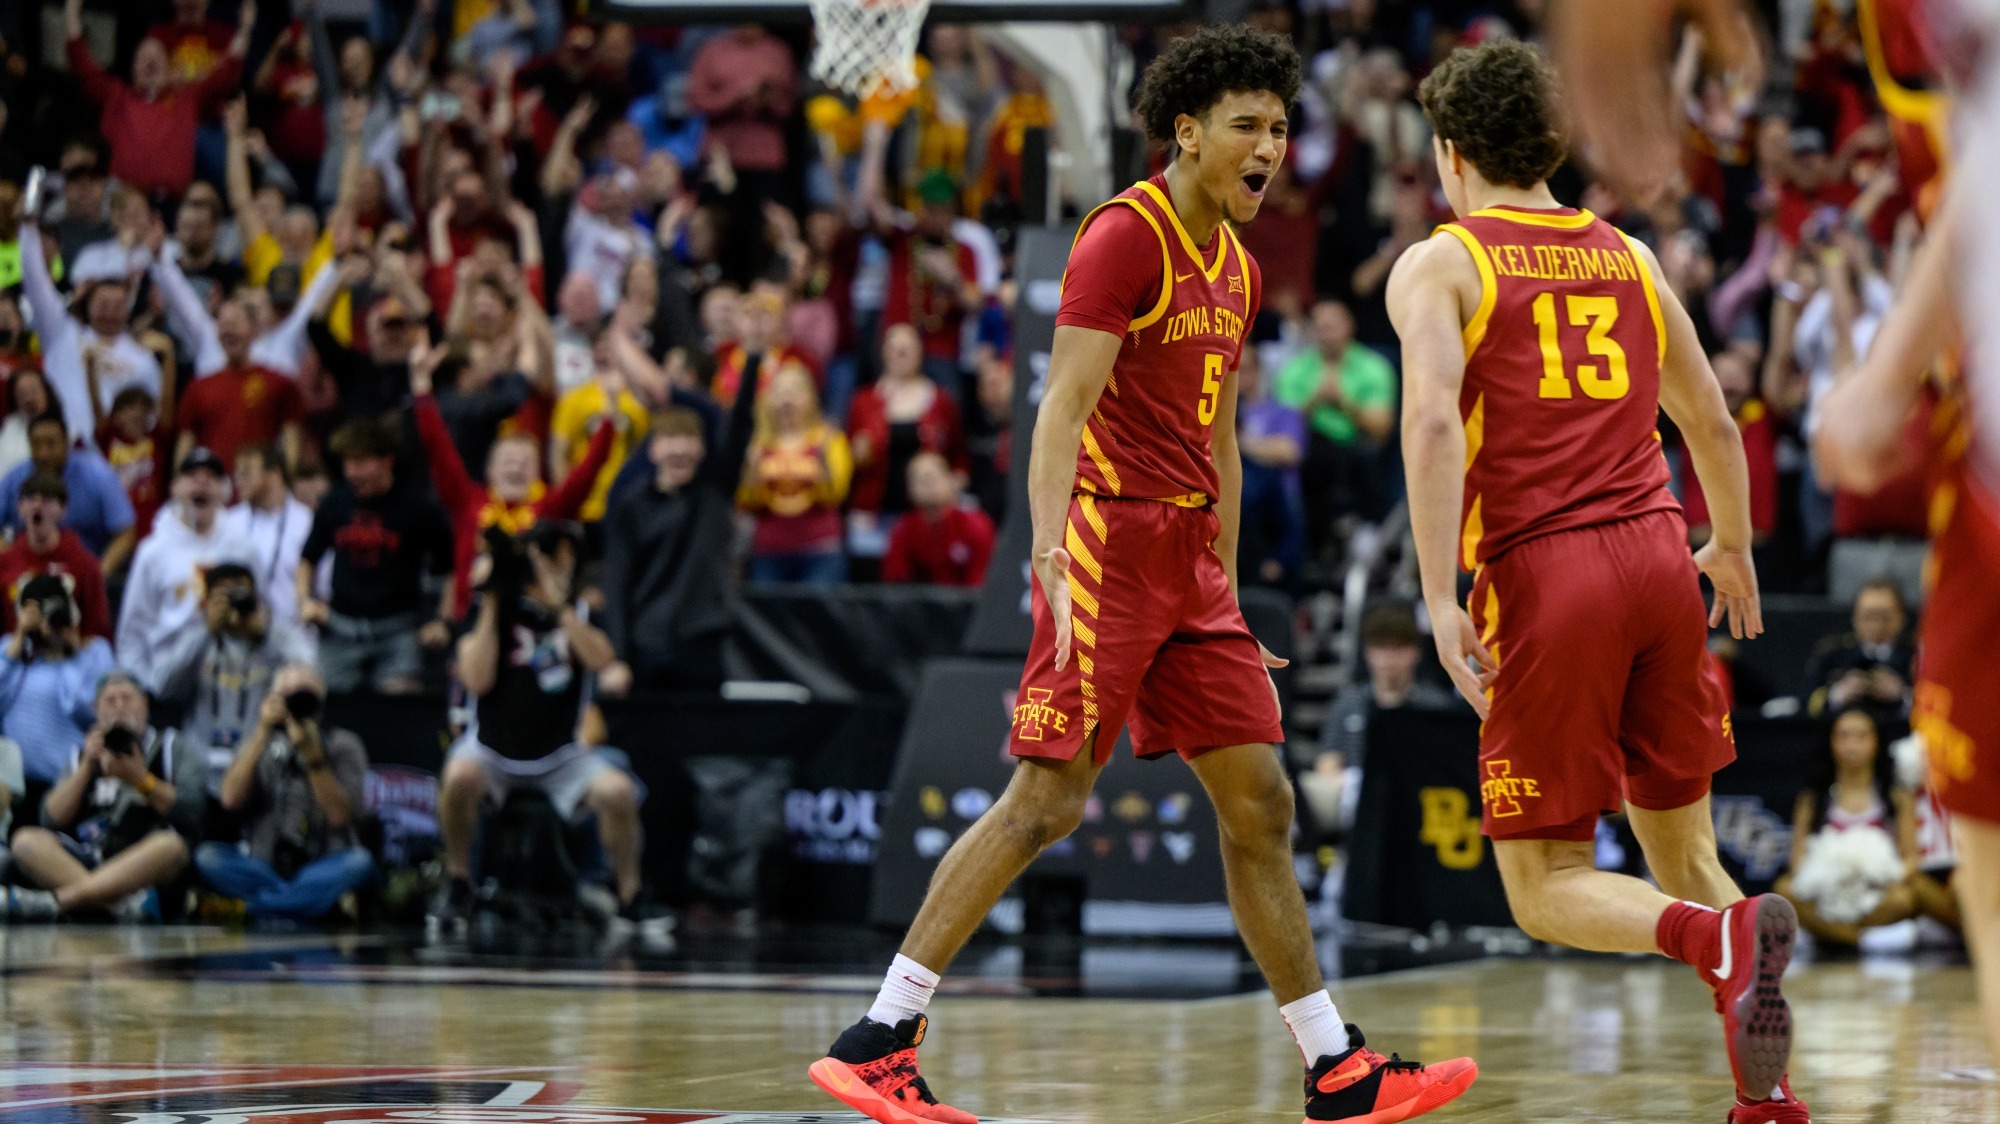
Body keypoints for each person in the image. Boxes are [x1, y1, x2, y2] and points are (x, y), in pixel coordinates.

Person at [808, 28, 1477, 1124]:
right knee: (1046, 800)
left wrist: (1220, 576)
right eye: (1245, 126)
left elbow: (1213, 423)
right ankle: (879, 1032)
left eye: (1278, 127)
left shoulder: (1242, 266)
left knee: (1258, 799)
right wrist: (1045, 553)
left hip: (1188, 566)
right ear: (1186, 129)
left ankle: (1334, 1066)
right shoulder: (1126, 234)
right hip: (1106, 545)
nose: (1268, 147)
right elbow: (1060, 409)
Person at [1389, 40, 1802, 1123]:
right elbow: (1708, 415)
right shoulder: (1625, 254)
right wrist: (1733, 545)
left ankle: (1707, 935)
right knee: (1690, 852)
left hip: (1547, 571)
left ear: (1449, 152)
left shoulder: (1442, 261)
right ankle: (1769, 1094)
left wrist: (1436, 595)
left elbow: (1432, 421)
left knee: (1542, 885)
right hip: (1662, 561)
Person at [428, 521, 667, 943]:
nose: (551, 567)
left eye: (560, 557)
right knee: (458, 777)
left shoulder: (581, 611)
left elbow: (604, 661)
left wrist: (560, 611)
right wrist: (493, 602)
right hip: (492, 750)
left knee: (617, 791)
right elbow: (476, 680)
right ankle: (459, 880)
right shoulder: (495, 611)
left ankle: (631, 894)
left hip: (561, 754)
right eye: (544, 556)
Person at [409, 339, 614, 616]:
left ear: (535, 473)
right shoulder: (467, 500)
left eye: (525, 463)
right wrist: (421, 385)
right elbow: (437, 448)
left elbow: (587, 472)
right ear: (490, 470)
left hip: (532, 622)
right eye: (508, 461)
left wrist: (610, 417)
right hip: (474, 620)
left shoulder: (551, 507)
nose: (516, 468)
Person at [600, 358, 763, 694]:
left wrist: (754, 359)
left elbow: (740, 426)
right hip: (646, 644)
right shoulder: (632, 505)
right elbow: (615, 583)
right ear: (654, 449)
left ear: (702, 449)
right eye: (671, 439)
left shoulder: (715, 490)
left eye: (689, 440)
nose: (680, 448)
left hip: (701, 642)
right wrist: (615, 657)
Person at [4, 671, 205, 921]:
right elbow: (50, 819)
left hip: (144, 862)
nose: (119, 707)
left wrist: (141, 780)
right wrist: (88, 766)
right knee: (25, 840)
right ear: (96, 710)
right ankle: (119, 906)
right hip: (89, 856)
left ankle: (60, 901)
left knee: (171, 846)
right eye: (110, 701)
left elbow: (193, 812)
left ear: (145, 703)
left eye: (127, 699)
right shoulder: (83, 754)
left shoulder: (173, 746)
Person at [197, 663, 375, 921]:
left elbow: (339, 817)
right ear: (272, 699)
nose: (297, 706)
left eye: (306, 697)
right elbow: (230, 799)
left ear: (321, 703)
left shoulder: (343, 745)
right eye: (290, 697)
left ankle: (252, 908)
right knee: (208, 857)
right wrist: (261, 731)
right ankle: (311, 905)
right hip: (262, 866)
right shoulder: (259, 743)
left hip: (322, 864)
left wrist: (315, 761)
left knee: (359, 863)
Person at [1774, 706, 1960, 946]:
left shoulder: (1896, 796)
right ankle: (1862, 940)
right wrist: (1830, 877)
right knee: (1783, 890)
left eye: (1862, 736)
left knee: (1908, 897)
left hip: (1878, 891)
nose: (1852, 745)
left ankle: (1833, 936)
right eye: (1844, 736)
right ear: (1831, 742)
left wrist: (1878, 875)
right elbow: (1797, 861)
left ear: (1876, 742)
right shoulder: (1813, 799)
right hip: (1828, 891)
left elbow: (1912, 859)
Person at [297, 418, 455, 695]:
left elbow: (451, 568)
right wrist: (305, 601)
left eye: (360, 462)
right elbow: (307, 559)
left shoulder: (417, 508)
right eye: (347, 463)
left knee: (397, 713)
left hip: (398, 633)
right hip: (340, 630)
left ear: (386, 461)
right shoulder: (335, 502)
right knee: (330, 710)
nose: (351, 472)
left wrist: (442, 620)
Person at [153, 562, 316, 798]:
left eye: (240, 593)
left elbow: (309, 678)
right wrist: (208, 632)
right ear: (206, 602)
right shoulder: (195, 640)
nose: (233, 603)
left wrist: (264, 636)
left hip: (259, 767)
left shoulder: (279, 638)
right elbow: (162, 687)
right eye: (223, 596)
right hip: (200, 767)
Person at [116, 448, 252, 694]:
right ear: (174, 488)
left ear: (224, 491)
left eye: (211, 477)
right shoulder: (153, 552)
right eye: (192, 476)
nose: (202, 482)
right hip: (168, 681)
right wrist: (143, 687)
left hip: (227, 684)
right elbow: (132, 631)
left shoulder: (242, 549)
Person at [1274, 298, 1399, 538]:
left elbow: (1382, 427)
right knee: (1306, 457)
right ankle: (1310, 540)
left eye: (1332, 325)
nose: (1326, 333)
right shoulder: (1295, 369)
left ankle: (1370, 534)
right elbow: (1282, 424)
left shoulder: (1374, 367)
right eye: (1320, 326)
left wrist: (1344, 404)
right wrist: (1314, 401)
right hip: (1312, 449)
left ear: (1349, 326)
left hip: (1356, 445)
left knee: (1369, 455)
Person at [0, 575, 115, 793]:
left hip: (65, 785)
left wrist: (67, 655)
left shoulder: (94, 653)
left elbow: (86, 713)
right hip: (11, 788)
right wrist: (18, 640)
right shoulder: (10, 650)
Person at [737, 365, 852, 584]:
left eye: (795, 390)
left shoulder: (829, 439)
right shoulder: (758, 444)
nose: (787, 398)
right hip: (768, 551)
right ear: (768, 400)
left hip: (820, 550)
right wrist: (751, 470)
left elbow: (835, 496)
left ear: (811, 397)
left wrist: (822, 462)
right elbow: (746, 502)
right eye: (779, 391)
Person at [173, 299, 307, 473]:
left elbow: (292, 437)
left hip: (260, 491)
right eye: (222, 323)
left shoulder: (278, 383)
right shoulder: (198, 388)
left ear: (254, 329)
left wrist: (286, 481)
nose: (228, 329)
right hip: (214, 490)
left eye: (235, 322)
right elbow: (185, 443)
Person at [0, 413, 136, 571]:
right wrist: (10, 567)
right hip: (27, 575)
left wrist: (97, 575)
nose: (43, 453)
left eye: (51, 444)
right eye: (36, 444)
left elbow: (125, 532)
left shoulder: (98, 474)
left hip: (88, 569)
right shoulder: (14, 479)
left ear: (66, 443)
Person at [0, 474, 113, 641]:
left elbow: (98, 632)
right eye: (31, 498)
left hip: (71, 660)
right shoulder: (4, 564)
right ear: (20, 507)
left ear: (63, 509)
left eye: (46, 499)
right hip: (14, 660)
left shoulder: (84, 564)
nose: (37, 505)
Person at [220, 445, 314, 630]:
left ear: (273, 475)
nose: (238, 480)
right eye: (236, 473)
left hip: (296, 639)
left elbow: (324, 588)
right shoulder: (229, 523)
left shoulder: (306, 523)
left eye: (246, 472)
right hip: (244, 638)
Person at [1802, 578, 1913, 718]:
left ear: (1902, 617)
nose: (1876, 624)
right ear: (1854, 617)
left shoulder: (1916, 657)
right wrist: (1838, 695)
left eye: (1885, 616)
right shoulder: (1832, 654)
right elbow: (1805, 704)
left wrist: (1903, 695)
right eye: (1868, 616)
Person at [881, 451, 993, 588]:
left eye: (932, 478)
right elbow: (894, 583)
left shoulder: (975, 525)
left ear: (950, 481)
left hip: (967, 606)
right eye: (919, 480)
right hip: (918, 607)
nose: (927, 485)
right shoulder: (903, 529)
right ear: (909, 490)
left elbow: (982, 584)